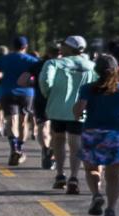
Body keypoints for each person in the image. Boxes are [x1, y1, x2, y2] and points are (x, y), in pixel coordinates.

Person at [74, 55, 119, 216]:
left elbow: (78, 111)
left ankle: (97, 194)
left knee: (92, 169)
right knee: (114, 177)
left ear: (96, 70)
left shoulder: (87, 88)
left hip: (93, 132)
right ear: (116, 70)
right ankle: (111, 210)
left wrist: (78, 113)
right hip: (116, 134)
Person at [41, 37, 97, 195]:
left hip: (57, 108)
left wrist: (50, 96)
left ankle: (59, 174)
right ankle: (73, 176)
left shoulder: (53, 63)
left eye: (63, 45)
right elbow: (97, 85)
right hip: (80, 109)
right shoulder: (91, 65)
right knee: (75, 143)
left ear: (68, 47)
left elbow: (45, 81)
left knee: (58, 140)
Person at [0, 40, 38, 157]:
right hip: (27, 93)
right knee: (23, 122)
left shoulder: (4, 59)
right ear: (25, 46)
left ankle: (14, 147)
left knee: (11, 120)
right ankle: (20, 146)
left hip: (8, 92)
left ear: (13, 46)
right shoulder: (32, 60)